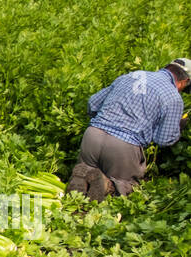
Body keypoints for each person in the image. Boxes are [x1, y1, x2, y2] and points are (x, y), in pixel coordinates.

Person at [66, 59, 191, 200]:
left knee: (84, 184)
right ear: (184, 81)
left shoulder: (132, 76)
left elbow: (93, 103)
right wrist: (178, 127)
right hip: (122, 147)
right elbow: (164, 139)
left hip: (92, 136)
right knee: (124, 190)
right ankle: (108, 185)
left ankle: (83, 177)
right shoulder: (173, 97)